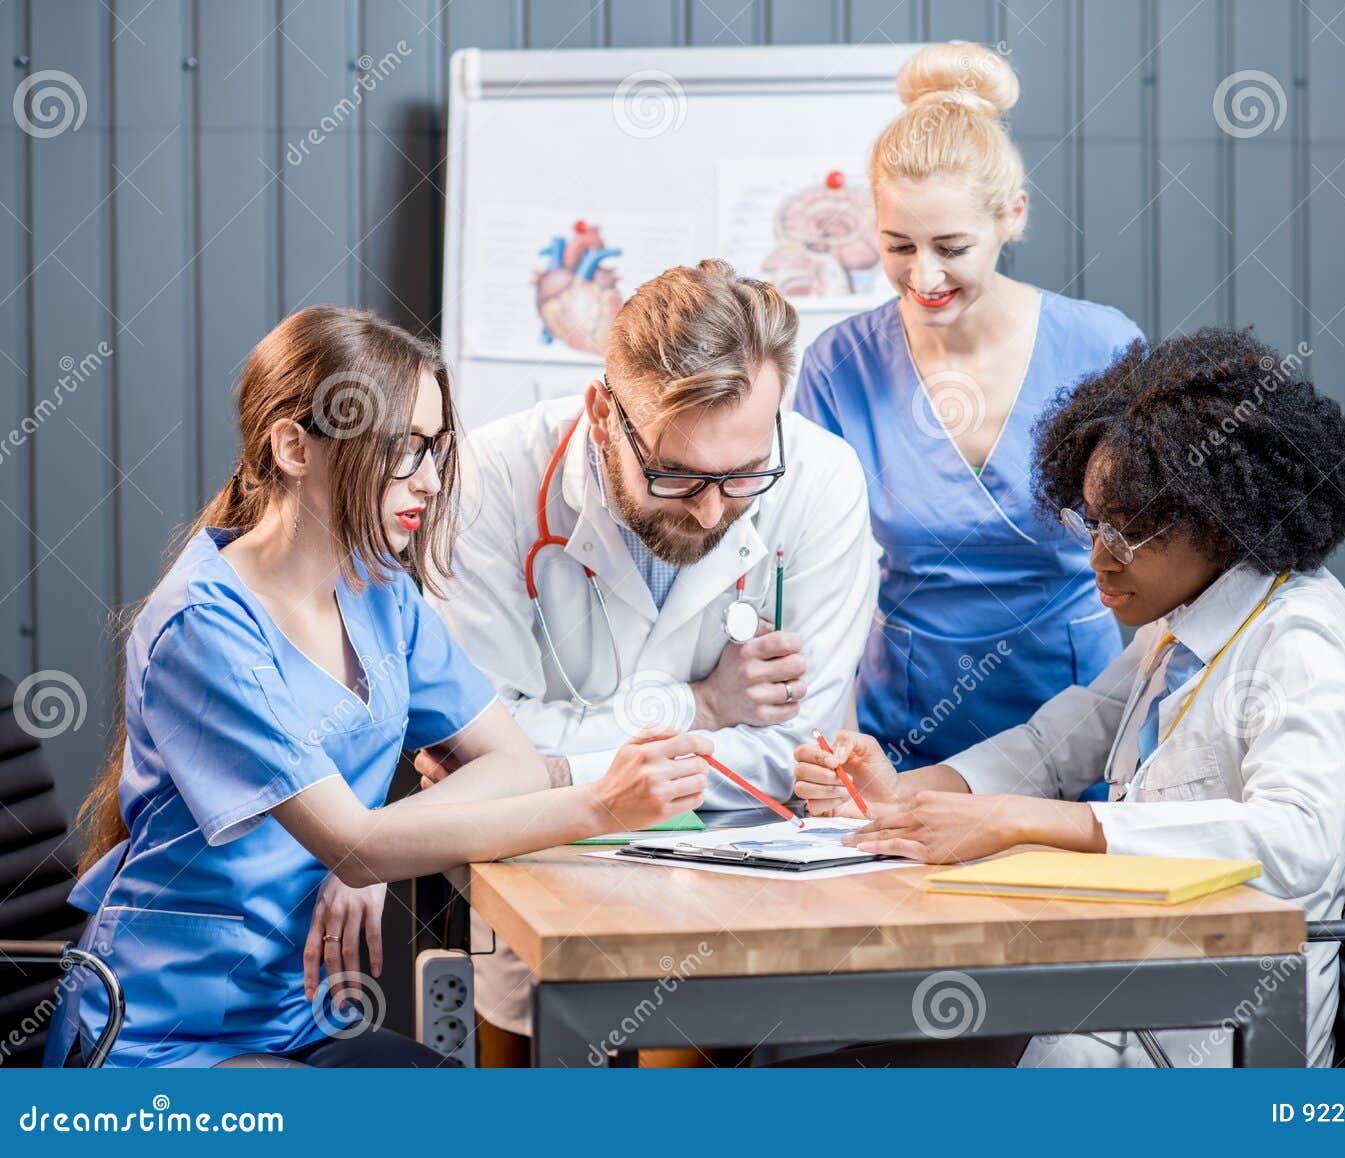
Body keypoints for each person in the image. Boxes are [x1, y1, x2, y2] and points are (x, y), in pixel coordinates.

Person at [47, 306, 710, 1069]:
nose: (430, 479)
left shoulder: (381, 592)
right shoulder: (206, 627)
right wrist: (599, 807)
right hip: (163, 1037)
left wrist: (380, 844)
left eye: (437, 448)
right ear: (294, 447)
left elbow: (513, 763)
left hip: (299, 1022)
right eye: (403, 450)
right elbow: (356, 845)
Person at [795, 328, 1345, 1068]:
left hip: (1209, 1034)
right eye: (1094, 524)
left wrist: (1019, 821)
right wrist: (901, 795)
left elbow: (1296, 843)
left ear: (1222, 526)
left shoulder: (1299, 635)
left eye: (1130, 535)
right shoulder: (1178, 624)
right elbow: (1050, 748)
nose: (1098, 558)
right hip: (1114, 997)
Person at [428, 259, 877, 1057]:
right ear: (603, 413)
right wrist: (701, 705)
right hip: (538, 863)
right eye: (676, 476)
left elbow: (793, 746)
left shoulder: (821, 479)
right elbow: (479, 744)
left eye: (744, 476)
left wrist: (552, 769)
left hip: (735, 864)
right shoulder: (489, 481)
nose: (709, 511)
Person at [795, 41, 1142, 770]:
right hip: (902, 725)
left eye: (951, 248)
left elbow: (1159, 543)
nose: (924, 277)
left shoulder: (1102, 347)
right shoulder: (839, 366)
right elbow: (806, 571)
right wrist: (826, 734)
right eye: (899, 246)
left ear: (1013, 215)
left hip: (1078, 716)